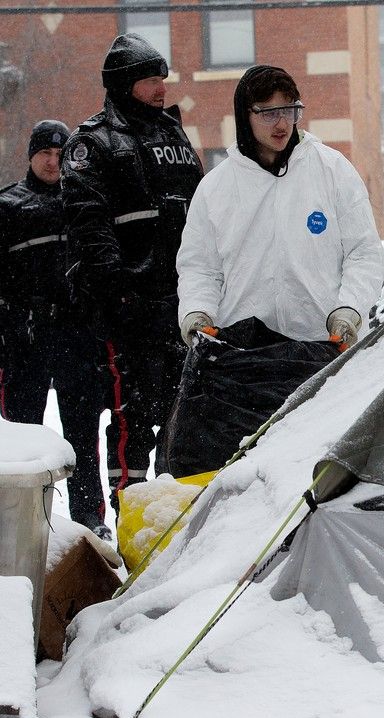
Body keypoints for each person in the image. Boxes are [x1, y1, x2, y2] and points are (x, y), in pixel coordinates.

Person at [61, 33, 204, 511]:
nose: (161, 87)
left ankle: (175, 510)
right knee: (132, 419)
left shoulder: (174, 133)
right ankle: (130, 518)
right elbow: (89, 227)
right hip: (130, 310)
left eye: (162, 77)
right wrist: (120, 293)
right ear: (125, 84)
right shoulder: (91, 144)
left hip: (183, 303)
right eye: (149, 78)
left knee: (186, 413)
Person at [176, 65, 384, 348]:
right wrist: (197, 311)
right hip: (243, 353)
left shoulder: (332, 171)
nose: (282, 124)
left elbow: (363, 253)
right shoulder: (216, 188)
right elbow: (200, 267)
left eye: (289, 111)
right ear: (244, 115)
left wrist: (349, 310)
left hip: (323, 344)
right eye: (269, 113)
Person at [0, 120, 110, 538]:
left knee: (83, 436)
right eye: (44, 152)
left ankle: (89, 519)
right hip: (25, 341)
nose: (52, 161)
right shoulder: (9, 206)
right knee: (21, 441)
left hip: (76, 337)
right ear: (30, 156)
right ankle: (19, 522)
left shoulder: (82, 202)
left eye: (60, 154)